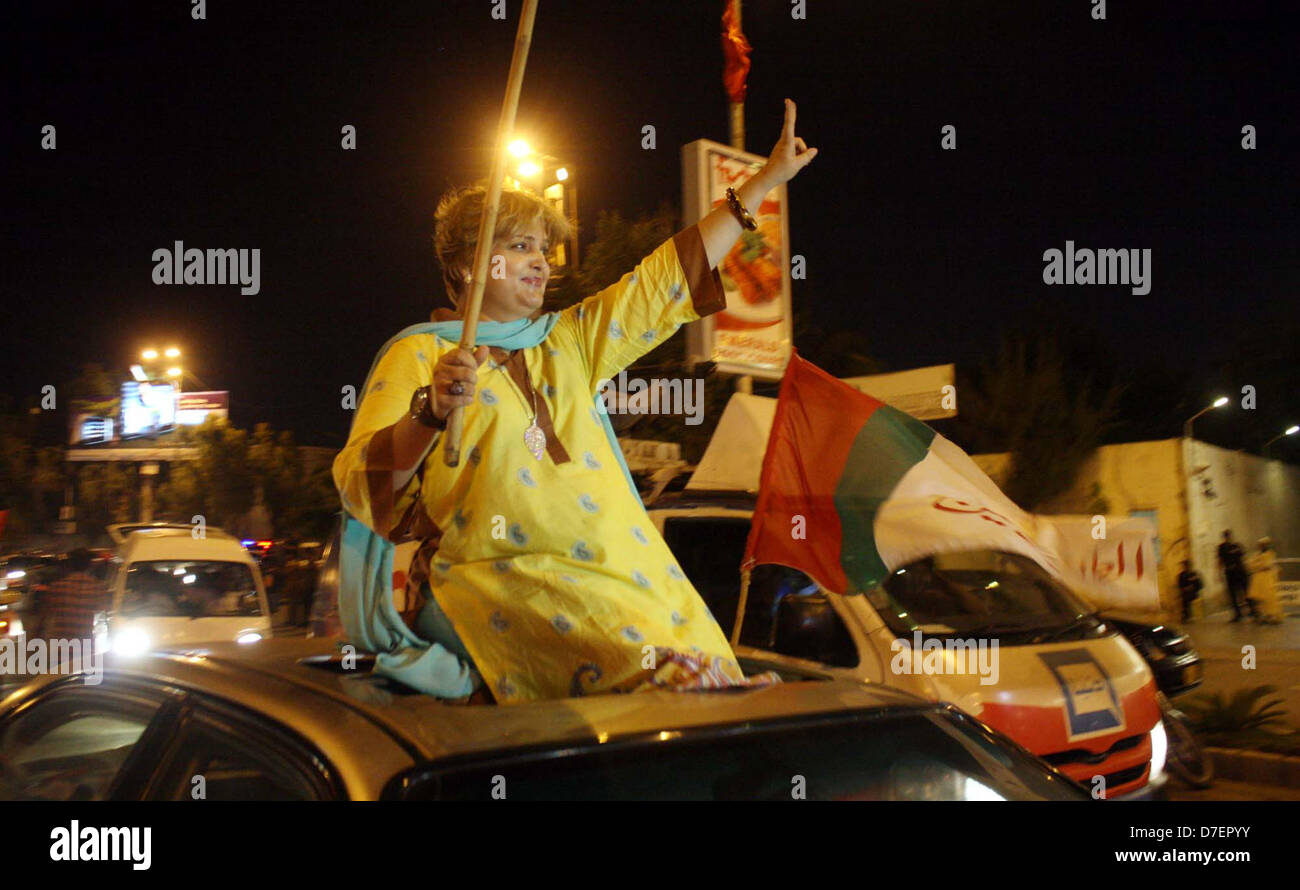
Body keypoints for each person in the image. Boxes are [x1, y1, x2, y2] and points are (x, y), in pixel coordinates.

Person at [334, 99, 817, 703]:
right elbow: (363, 486)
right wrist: (429, 410)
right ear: (466, 263)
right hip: (505, 581)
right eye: (521, 246)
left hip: (623, 578)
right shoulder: (417, 355)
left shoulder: (569, 340)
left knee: (719, 689)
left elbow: (662, 279)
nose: (542, 260)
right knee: (672, 687)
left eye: (544, 247)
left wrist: (763, 183)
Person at [39, 548, 111, 642]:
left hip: (62, 644)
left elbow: (45, 617)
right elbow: (103, 612)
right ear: (89, 565)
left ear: (70, 565)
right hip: (85, 644)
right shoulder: (97, 588)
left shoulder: (57, 587)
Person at [1217, 530, 1254, 622]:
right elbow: (1220, 561)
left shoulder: (1235, 546)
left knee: (1243, 593)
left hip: (1237, 572)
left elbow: (1243, 559)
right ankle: (1241, 613)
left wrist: (1248, 570)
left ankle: (1250, 611)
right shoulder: (1226, 547)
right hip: (1234, 572)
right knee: (1236, 594)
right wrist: (1218, 573)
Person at [1245, 537, 1284, 624]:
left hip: (1268, 578)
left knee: (1270, 597)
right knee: (1260, 598)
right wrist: (1260, 566)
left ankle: (1272, 615)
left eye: (1265, 544)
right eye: (1261, 545)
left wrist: (1275, 570)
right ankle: (1263, 615)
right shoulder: (1256, 555)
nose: (1263, 546)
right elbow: (1251, 565)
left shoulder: (1271, 554)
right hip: (1259, 578)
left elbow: (1271, 565)